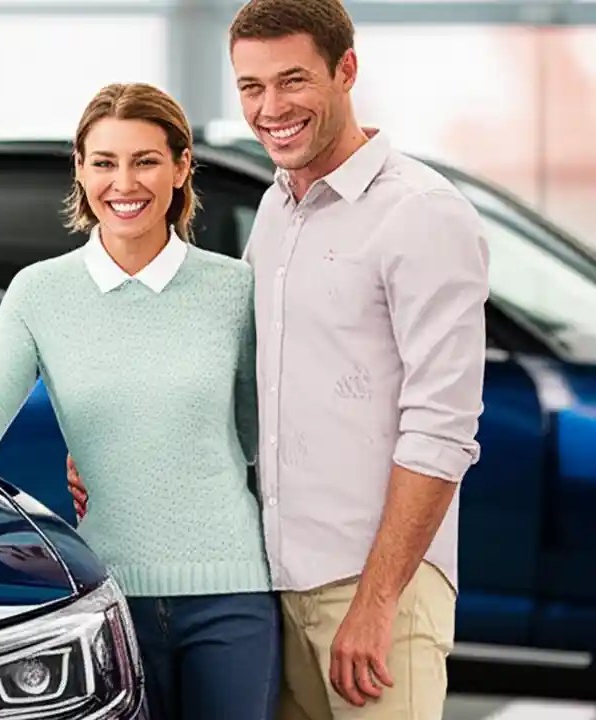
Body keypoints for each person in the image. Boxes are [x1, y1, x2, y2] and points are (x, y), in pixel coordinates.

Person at [68, 1, 489, 717]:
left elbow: (442, 430)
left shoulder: (420, 213)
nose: (270, 108)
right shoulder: (278, 208)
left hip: (371, 588)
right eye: (250, 86)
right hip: (272, 584)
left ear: (346, 69)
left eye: (292, 81)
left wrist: (376, 600)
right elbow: (246, 395)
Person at [0, 82, 280, 720]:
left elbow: (260, 437)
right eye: (104, 162)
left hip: (233, 593)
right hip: (110, 598)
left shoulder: (236, 290)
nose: (123, 183)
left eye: (145, 160)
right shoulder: (40, 292)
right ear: (80, 168)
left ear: (182, 167)